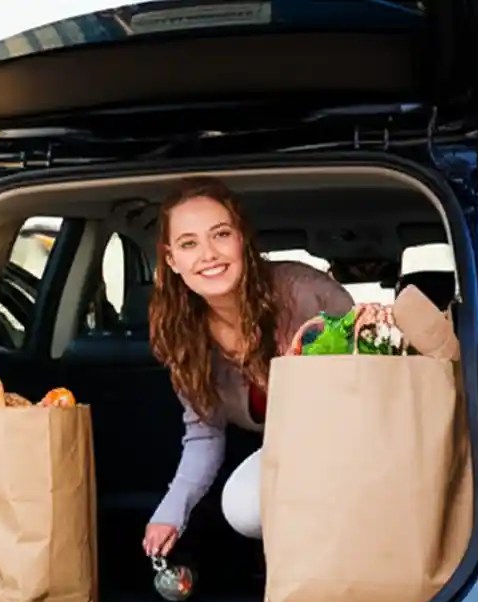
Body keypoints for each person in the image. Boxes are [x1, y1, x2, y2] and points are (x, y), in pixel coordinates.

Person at [141, 176, 354, 559]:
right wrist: (171, 512)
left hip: (355, 441)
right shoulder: (181, 334)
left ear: (242, 239)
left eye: (220, 235)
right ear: (171, 259)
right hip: (292, 451)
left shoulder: (304, 293)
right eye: (189, 244)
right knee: (242, 507)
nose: (208, 254)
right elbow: (205, 434)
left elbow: (373, 381)